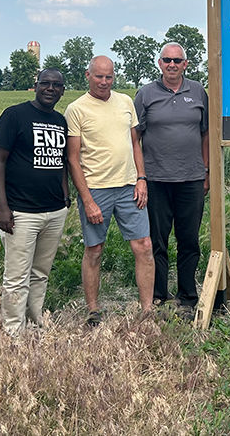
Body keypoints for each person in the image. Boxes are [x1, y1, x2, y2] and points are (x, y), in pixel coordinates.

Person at [65, 55, 154, 325]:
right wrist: (87, 200)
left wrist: (142, 178)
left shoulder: (126, 102)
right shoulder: (76, 109)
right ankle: (93, 310)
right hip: (97, 189)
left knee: (144, 246)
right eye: (99, 76)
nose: (104, 82)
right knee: (95, 249)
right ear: (87, 75)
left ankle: (147, 310)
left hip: (129, 187)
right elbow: (72, 158)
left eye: (109, 77)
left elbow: (135, 144)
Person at [0, 68, 70, 336]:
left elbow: (62, 163)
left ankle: (35, 324)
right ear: (35, 85)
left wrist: (65, 196)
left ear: (62, 90)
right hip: (21, 212)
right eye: (45, 83)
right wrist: (3, 208)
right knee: (16, 277)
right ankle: (13, 332)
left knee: (40, 274)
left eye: (56, 85)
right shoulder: (15, 115)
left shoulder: (60, 120)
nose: (50, 88)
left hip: (54, 211)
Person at [134, 42, 209, 318]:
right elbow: (135, 138)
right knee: (157, 240)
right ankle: (158, 295)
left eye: (177, 60)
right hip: (156, 179)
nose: (172, 65)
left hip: (191, 179)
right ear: (159, 63)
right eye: (167, 60)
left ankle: (187, 296)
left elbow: (205, 133)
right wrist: (140, 176)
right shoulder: (145, 94)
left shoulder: (198, 91)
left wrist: (206, 170)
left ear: (186, 64)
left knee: (189, 240)